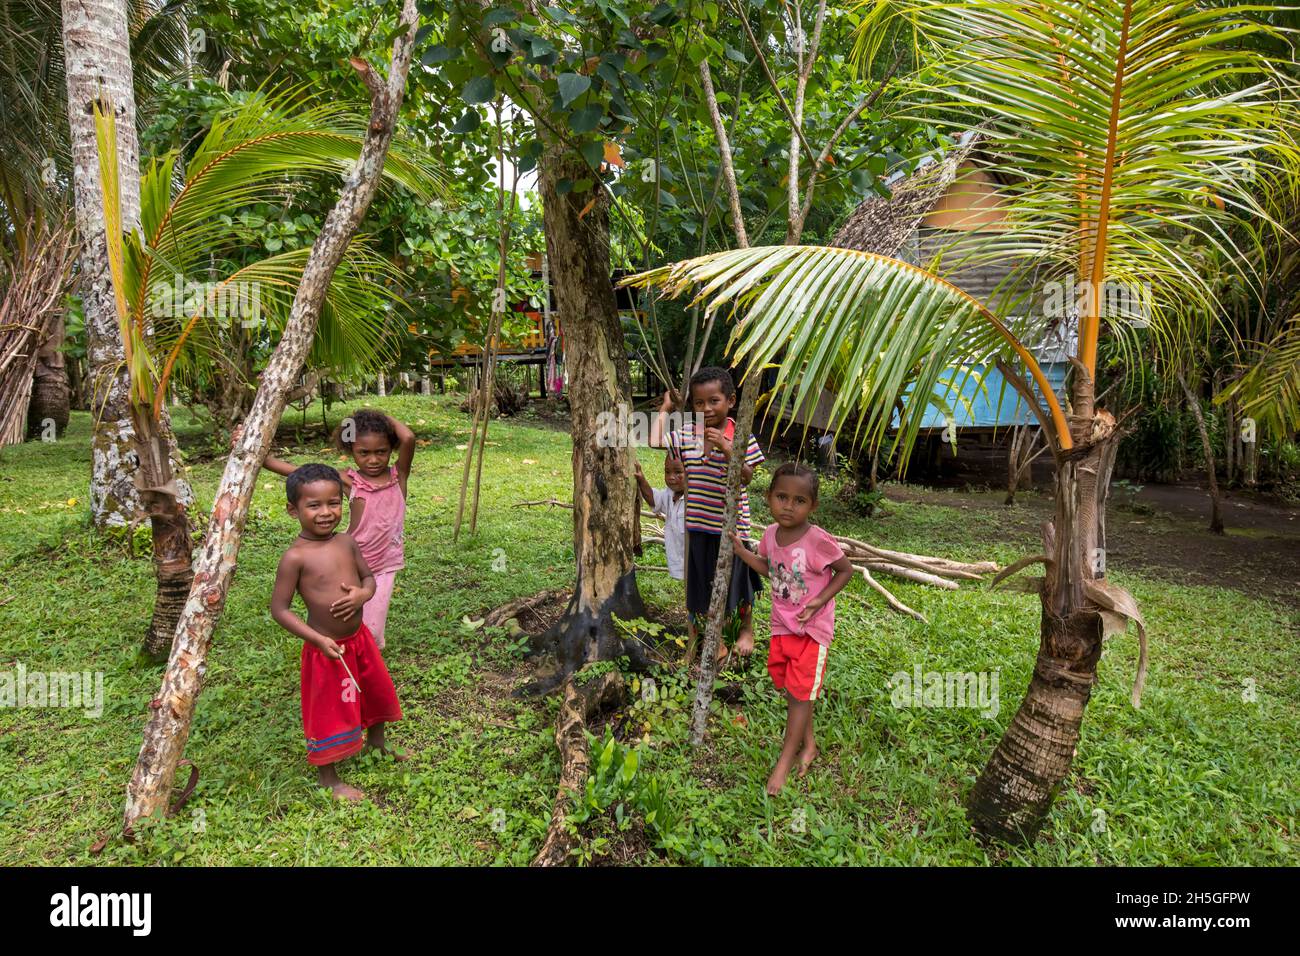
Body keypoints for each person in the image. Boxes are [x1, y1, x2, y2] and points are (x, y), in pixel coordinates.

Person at [270, 463, 405, 802]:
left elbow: (369, 579)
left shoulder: (346, 543)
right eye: (314, 505)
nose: (326, 512)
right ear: (293, 510)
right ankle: (328, 778)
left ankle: (377, 742)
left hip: (359, 639)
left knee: (374, 690)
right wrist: (317, 639)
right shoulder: (295, 558)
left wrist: (362, 595)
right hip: (326, 648)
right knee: (328, 709)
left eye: (333, 503)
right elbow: (280, 609)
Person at [730, 462, 853, 795]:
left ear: (812, 506)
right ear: (768, 497)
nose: (788, 505)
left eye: (799, 500)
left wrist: (819, 601)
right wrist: (742, 552)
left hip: (812, 632)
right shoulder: (770, 535)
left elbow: (845, 570)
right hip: (783, 627)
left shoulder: (818, 540)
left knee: (799, 696)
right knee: (792, 690)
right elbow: (770, 568)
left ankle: (784, 762)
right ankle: (809, 743)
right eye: (781, 497)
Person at [251, 408, 415, 649]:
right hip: (350, 562)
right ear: (352, 451)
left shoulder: (398, 476)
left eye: (381, 452)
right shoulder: (350, 481)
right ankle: (339, 653)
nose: (373, 459)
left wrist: (378, 416)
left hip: (384, 565)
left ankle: (365, 658)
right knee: (343, 617)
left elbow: (408, 438)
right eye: (363, 453)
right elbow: (299, 473)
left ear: (391, 450)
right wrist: (260, 457)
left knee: (373, 627)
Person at [655, 367, 765, 661]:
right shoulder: (687, 435)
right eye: (699, 403)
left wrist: (727, 447)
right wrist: (666, 407)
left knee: (736, 583)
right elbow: (655, 440)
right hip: (697, 525)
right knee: (700, 584)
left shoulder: (741, 437)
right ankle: (703, 639)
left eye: (714, 401)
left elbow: (746, 477)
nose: (706, 409)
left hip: (731, 529)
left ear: (730, 400)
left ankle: (745, 629)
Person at [635, 454, 686, 580]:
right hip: (679, 562)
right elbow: (653, 500)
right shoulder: (669, 495)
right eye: (667, 472)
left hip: (695, 561)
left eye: (678, 472)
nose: (671, 477)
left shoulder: (696, 500)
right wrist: (642, 480)